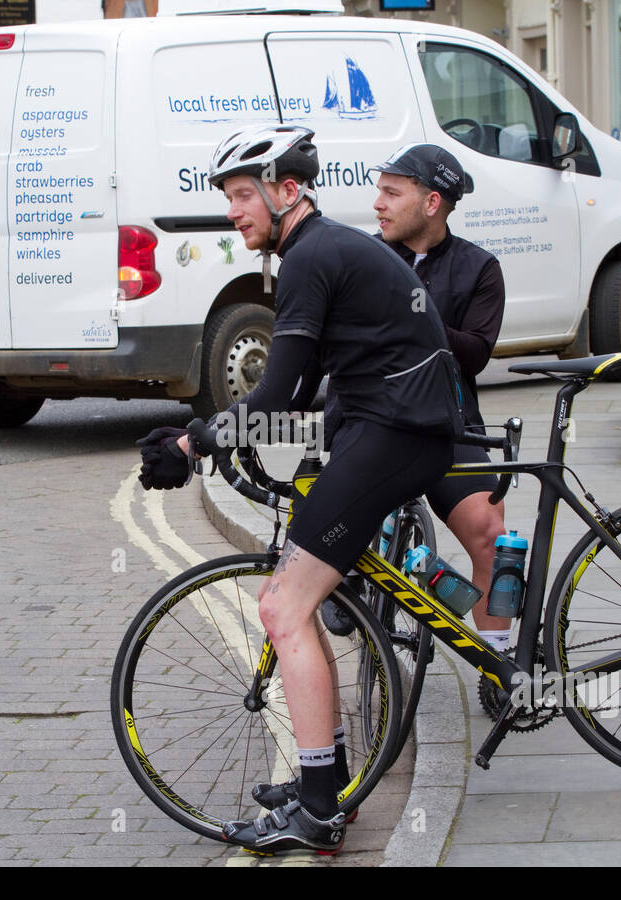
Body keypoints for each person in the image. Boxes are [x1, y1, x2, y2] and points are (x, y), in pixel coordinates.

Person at [135, 125, 462, 853]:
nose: (233, 212)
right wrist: (230, 439)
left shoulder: (312, 255)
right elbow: (304, 392)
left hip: (397, 435)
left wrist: (193, 441)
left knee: (284, 605)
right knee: (294, 601)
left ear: (289, 191)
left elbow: (278, 389)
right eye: (228, 198)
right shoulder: (313, 252)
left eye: (244, 195)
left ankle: (320, 812)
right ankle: (328, 774)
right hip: (387, 427)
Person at [368, 144, 513, 652]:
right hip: (375, 424)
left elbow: (474, 353)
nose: (377, 204)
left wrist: (415, 314)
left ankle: (499, 664)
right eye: (378, 191)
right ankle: (351, 587)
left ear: (432, 203)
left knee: (494, 539)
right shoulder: (369, 258)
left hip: (449, 426)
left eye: (391, 192)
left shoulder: (480, 268)